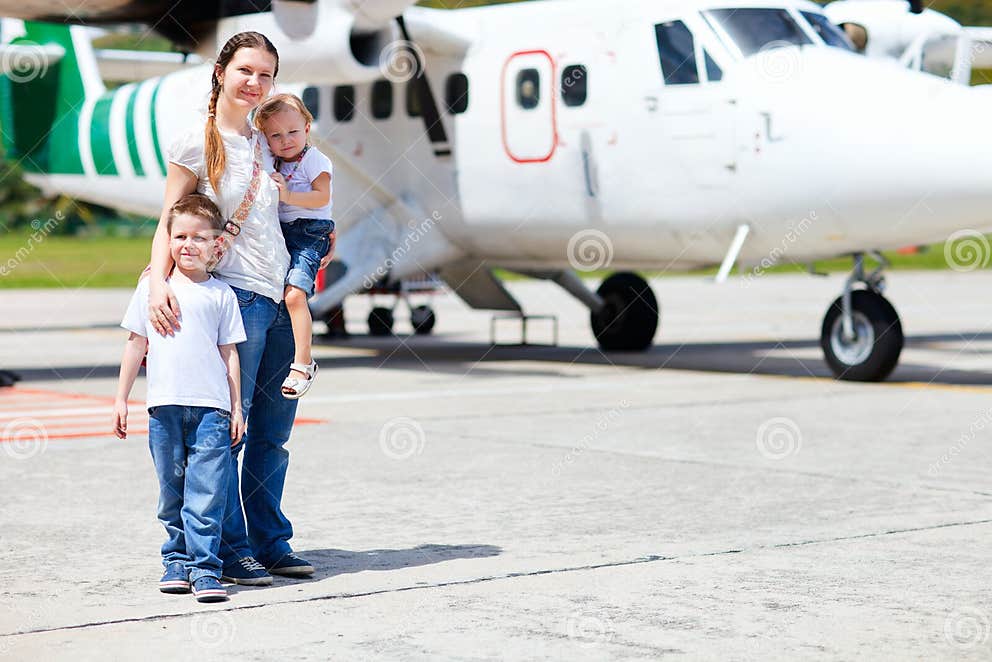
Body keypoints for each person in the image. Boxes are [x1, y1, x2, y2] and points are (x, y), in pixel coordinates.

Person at [147, 31, 333, 586]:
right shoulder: (195, 142)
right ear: (222, 71)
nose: (255, 83)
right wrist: (159, 286)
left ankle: (271, 543)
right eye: (246, 70)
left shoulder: (268, 139)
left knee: (273, 436)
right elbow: (167, 222)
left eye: (267, 75)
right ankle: (230, 549)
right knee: (231, 431)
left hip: (281, 296)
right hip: (236, 299)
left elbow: (295, 206)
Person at [113, 193, 246, 604]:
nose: (187, 245)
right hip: (164, 408)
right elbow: (136, 345)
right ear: (167, 240)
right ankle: (175, 560)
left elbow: (230, 353)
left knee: (206, 491)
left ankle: (206, 569)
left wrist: (236, 406)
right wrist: (121, 399)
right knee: (172, 491)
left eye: (198, 238)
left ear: (216, 245)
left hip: (211, 410)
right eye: (180, 236)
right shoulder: (153, 290)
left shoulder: (222, 295)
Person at [254, 93, 334, 399]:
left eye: (293, 132)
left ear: (307, 128)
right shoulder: (275, 161)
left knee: (295, 294)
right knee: (281, 295)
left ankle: (303, 363)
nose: (285, 140)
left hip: (309, 231)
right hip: (284, 231)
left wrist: (287, 196)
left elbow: (321, 197)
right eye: (275, 135)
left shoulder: (315, 160)